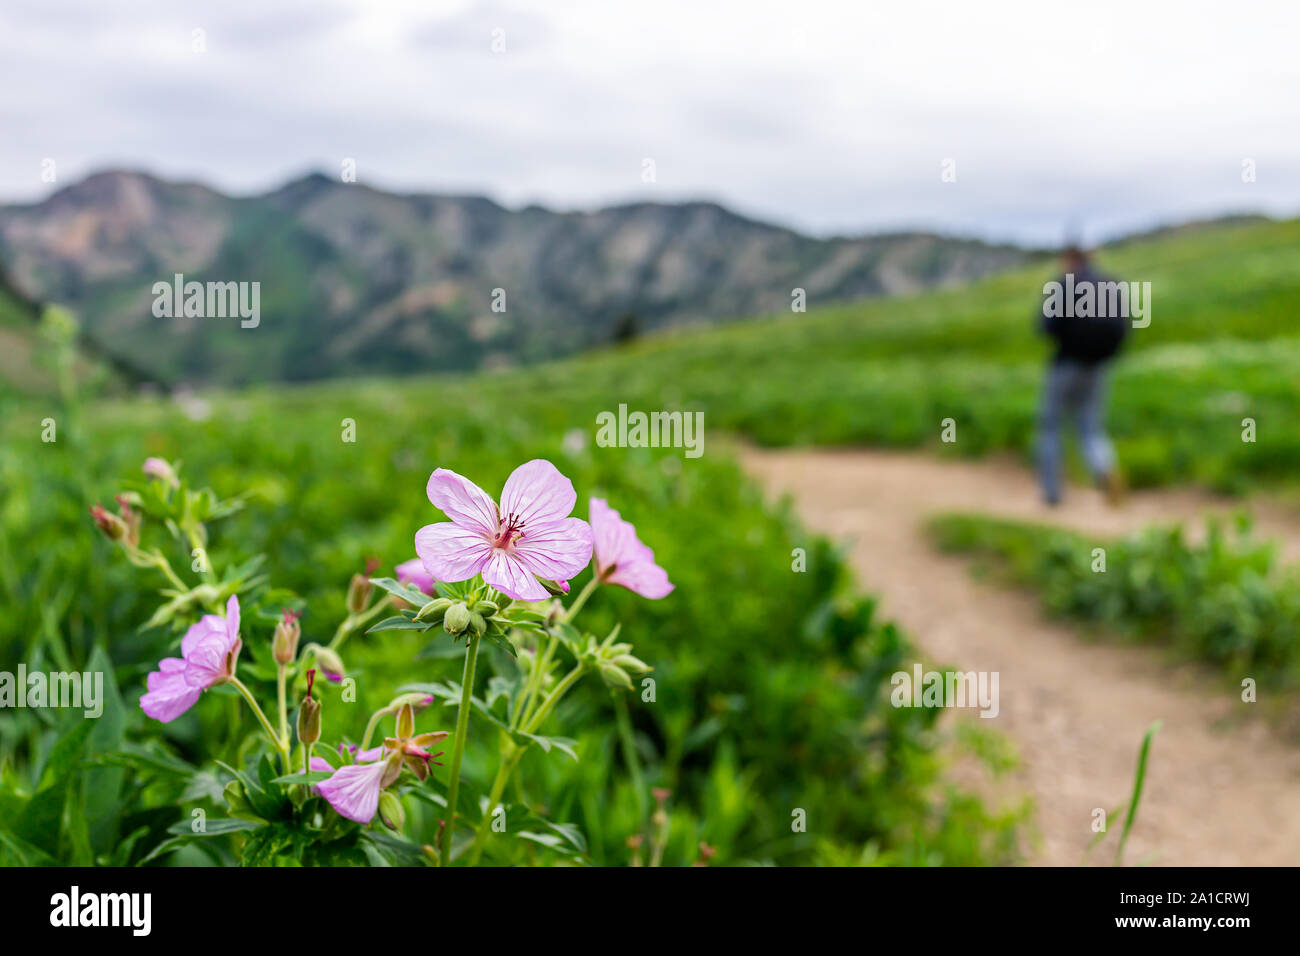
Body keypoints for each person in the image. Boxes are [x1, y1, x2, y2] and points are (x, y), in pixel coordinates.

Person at [1037, 245, 1126, 506]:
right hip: (1098, 367)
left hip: (1065, 365)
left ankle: (1052, 493)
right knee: (1091, 428)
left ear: (1068, 259)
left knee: (1051, 426)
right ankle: (1104, 469)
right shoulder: (1109, 284)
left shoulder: (1065, 286)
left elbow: (1046, 326)